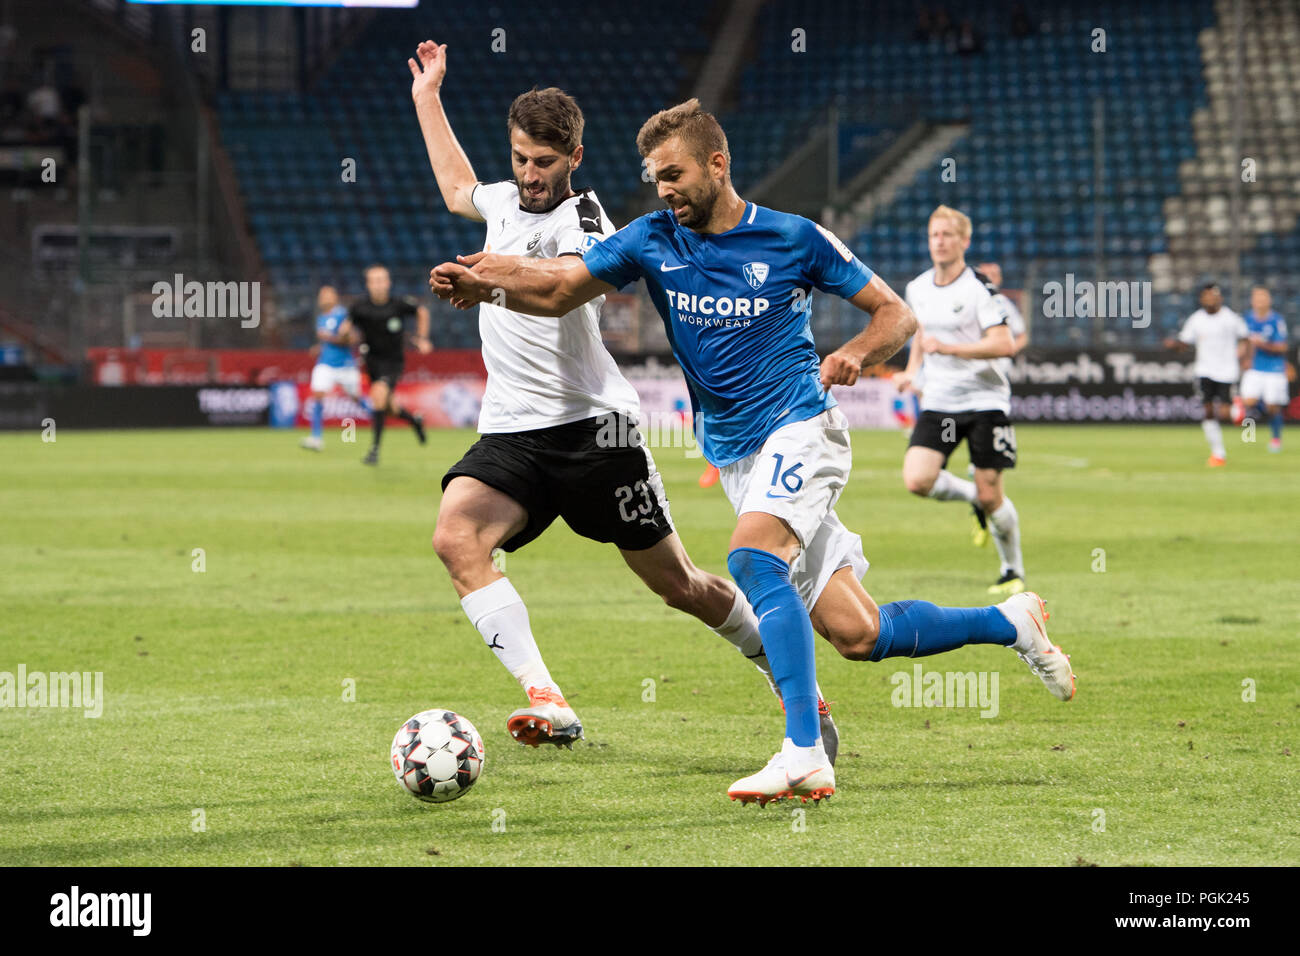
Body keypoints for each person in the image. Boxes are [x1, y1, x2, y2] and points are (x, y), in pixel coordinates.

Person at [432, 100, 1075, 805]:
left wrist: (858, 352)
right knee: (857, 635)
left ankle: (803, 754)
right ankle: (1013, 621)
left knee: (750, 559)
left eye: (674, 174)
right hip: (739, 456)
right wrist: (487, 280)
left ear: (717, 163)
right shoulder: (651, 238)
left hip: (802, 425)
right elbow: (559, 288)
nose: (664, 190)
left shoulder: (794, 237)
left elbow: (896, 314)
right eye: (654, 178)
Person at [408, 42, 837, 755]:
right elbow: (460, 188)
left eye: (544, 162)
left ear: (574, 158)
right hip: (514, 435)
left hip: (596, 437)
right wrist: (429, 97)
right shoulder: (503, 202)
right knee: (456, 537)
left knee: (682, 586)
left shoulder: (589, 222)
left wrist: (488, 277)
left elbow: (560, 287)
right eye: (519, 158)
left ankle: (786, 676)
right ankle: (547, 698)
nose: (529, 174)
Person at [895, 208, 1026, 595]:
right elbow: (920, 334)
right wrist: (913, 371)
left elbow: (1004, 344)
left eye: (948, 234)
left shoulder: (979, 288)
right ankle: (974, 500)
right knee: (918, 479)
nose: (940, 241)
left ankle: (1012, 571)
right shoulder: (917, 288)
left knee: (993, 494)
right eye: (935, 234)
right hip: (940, 400)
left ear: (964, 242)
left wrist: (950, 348)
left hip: (986, 400)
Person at [347, 263, 431, 465]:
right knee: (388, 407)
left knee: (378, 399)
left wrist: (421, 338)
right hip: (371, 362)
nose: (378, 285)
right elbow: (348, 329)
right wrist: (345, 335)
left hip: (392, 362)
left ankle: (374, 451)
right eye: (373, 281)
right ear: (367, 284)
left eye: (381, 280)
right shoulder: (359, 307)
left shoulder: (398, 304)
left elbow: (422, 312)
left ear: (388, 283)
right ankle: (414, 421)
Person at [1164, 283, 1248, 467]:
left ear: (1220, 298)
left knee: (1225, 413)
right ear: (1202, 299)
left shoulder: (1231, 318)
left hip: (1227, 371)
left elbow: (1245, 339)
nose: (1210, 299)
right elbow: (1185, 342)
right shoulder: (1196, 319)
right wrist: (1175, 345)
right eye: (1206, 296)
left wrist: (1243, 356)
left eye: (1213, 296)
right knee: (1208, 411)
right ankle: (1218, 454)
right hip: (1204, 370)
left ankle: (1237, 410)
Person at [300, 285, 365, 452]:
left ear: (335, 297)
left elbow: (353, 339)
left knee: (357, 399)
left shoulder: (344, 314)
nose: (323, 298)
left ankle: (381, 420)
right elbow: (328, 341)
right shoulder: (321, 317)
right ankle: (316, 438)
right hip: (325, 364)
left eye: (326, 295)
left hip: (346, 365)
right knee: (318, 396)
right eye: (321, 295)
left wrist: (329, 338)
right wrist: (320, 346)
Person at [1233, 285, 1288, 453]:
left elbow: (1282, 347)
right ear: (1253, 301)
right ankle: (1248, 431)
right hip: (1255, 368)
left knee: (1273, 407)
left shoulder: (1276, 320)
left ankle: (1276, 439)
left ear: (1269, 300)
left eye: (1263, 298)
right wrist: (1239, 357)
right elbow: (1244, 344)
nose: (1260, 301)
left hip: (1274, 369)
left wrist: (1261, 344)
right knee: (1249, 401)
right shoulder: (1247, 320)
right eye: (1257, 298)